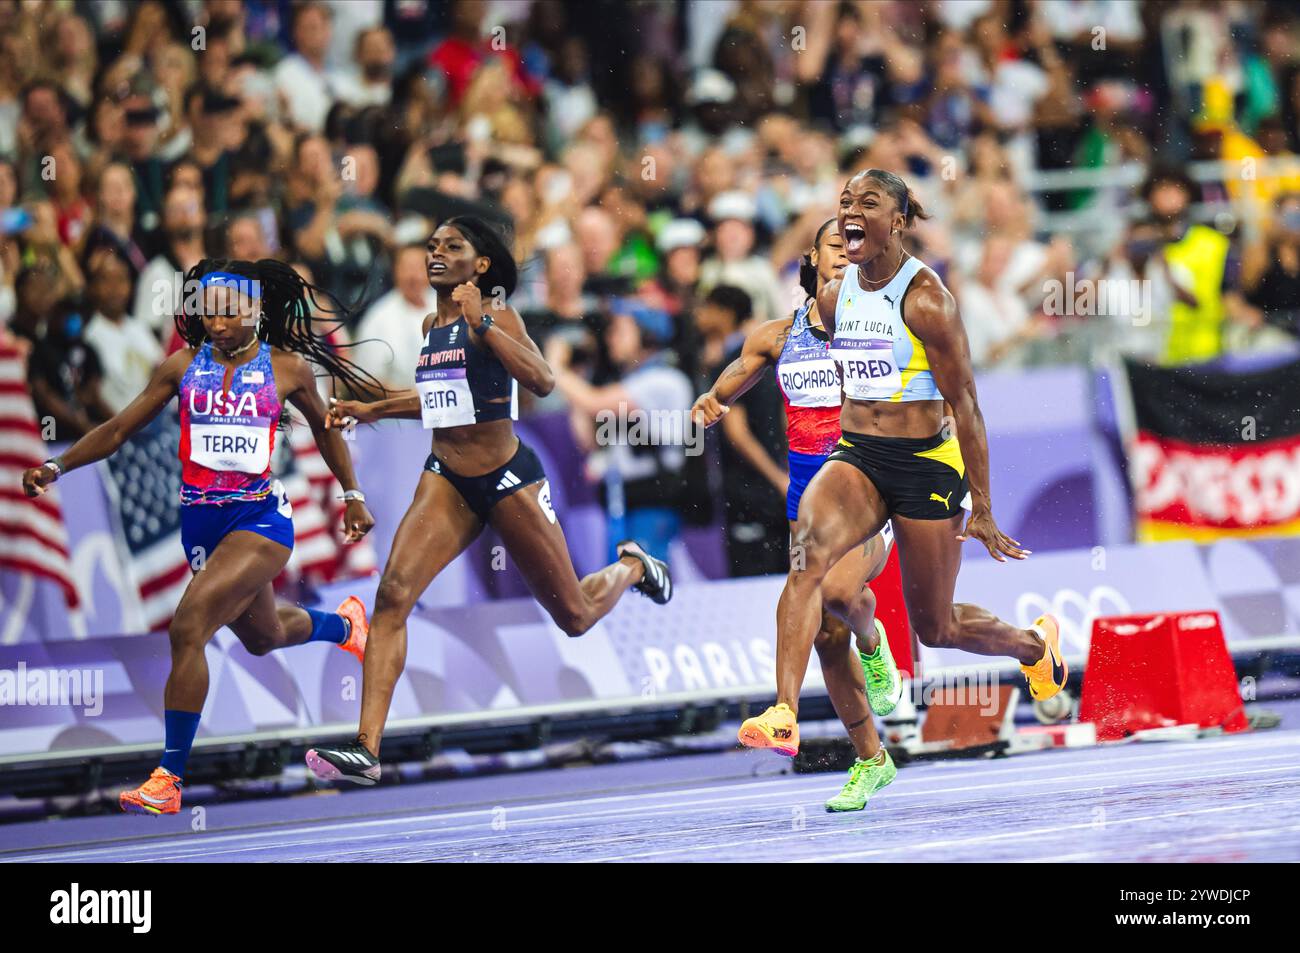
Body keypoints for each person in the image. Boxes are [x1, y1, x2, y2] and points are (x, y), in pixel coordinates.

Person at [304, 216, 672, 784]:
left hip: (506, 478)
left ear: (479, 265)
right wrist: (371, 408)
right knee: (392, 595)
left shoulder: (498, 315)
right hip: (446, 479)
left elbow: (543, 381)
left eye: (451, 246)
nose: (435, 252)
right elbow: (440, 399)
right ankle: (367, 749)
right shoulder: (431, 324)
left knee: (575, 615)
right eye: (431, 245)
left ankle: (632, 566)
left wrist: (483, 324)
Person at [22, 258, 378, 815]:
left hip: (260, 522)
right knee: (262, 636)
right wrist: (56, 465)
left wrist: (352, 494)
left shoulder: (287, 369)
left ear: (255, 309)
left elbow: (326, 428)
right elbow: (118, 429)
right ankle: (346, 625)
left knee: (188, 627)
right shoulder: (181, 367)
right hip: (201, 527)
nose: (216, 322)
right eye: (208, 311)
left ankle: (168, 778)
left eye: (229, 312)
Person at [735, 170, 1067, 764]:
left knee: (937, 628)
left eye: (868, 203)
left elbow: (966, 404)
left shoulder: (928, 301)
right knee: (806, 558)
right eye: (845, 202)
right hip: (858, 457)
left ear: (897, 221)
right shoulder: (834, 297)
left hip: (924, 467)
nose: (850, 212)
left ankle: (1033, 646)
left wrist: (983, 506)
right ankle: (783, 711)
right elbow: (847, 378)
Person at [692, 219, 902, 812]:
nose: (847, 252)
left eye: (857, 245)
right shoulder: (777, 337)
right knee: (829, 635)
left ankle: (869, 639)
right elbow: (730, 383)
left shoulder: (879, 327)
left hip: (867, 490)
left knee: (831, 590)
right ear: (811, 258)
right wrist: (712, 399)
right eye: (836, 244)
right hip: (806, 503)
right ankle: (866, 757)